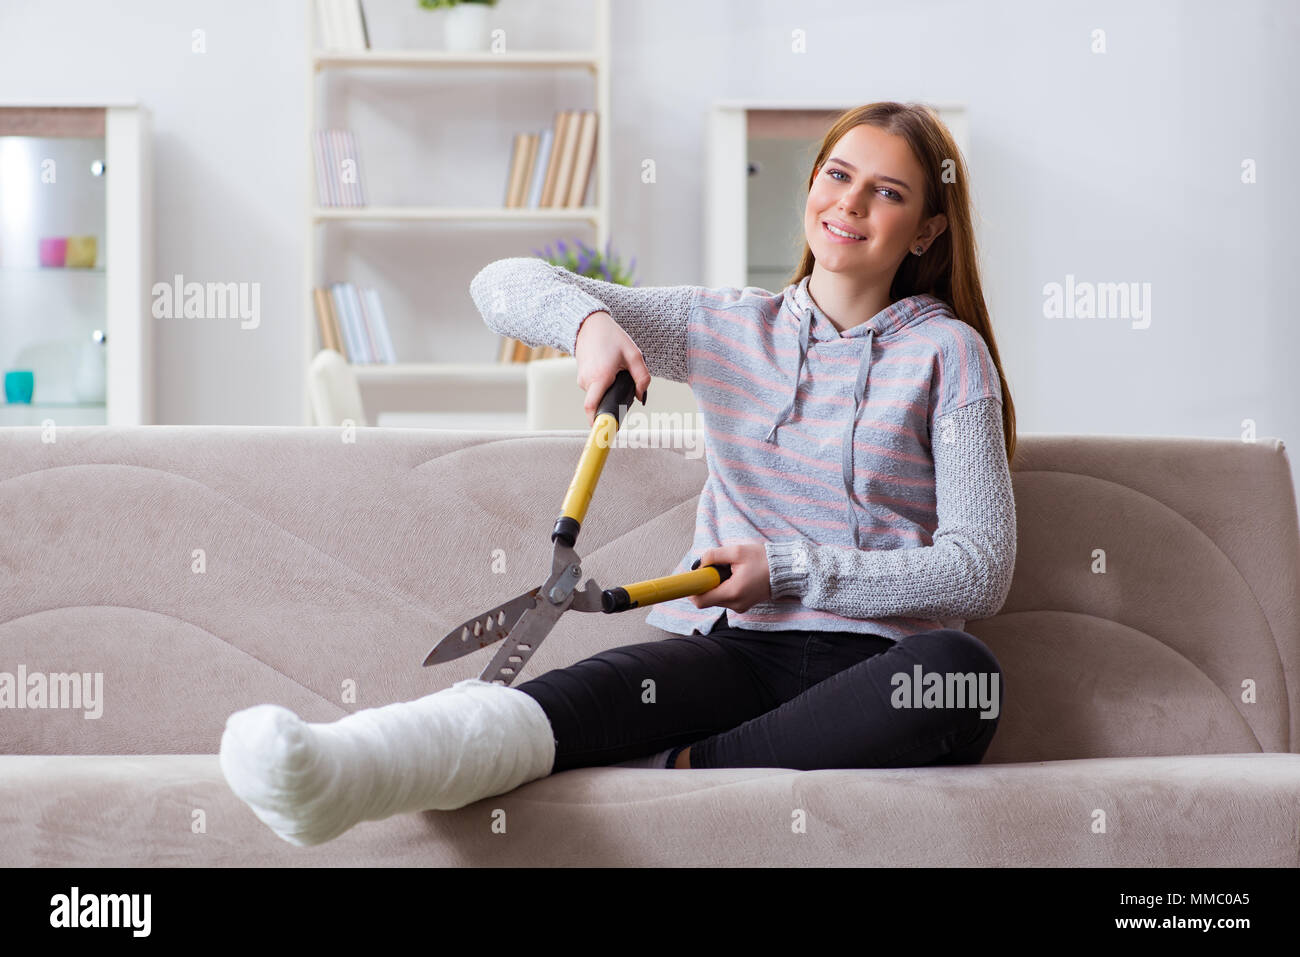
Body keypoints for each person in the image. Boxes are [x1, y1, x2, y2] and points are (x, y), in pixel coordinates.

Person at [218, 101, 1018, 847]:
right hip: (731, 650)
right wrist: (590, 323)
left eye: (886, 193)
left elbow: (980, 571)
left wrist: (787, 569)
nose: (849, 204)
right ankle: (342, 769)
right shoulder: (730, 326)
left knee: (964, 679)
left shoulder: (948, 355)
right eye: (838, 176)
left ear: (925, 230)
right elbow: (498, 283)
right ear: (811, 185)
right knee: (572, 700)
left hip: (875, 663)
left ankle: (684, 770)